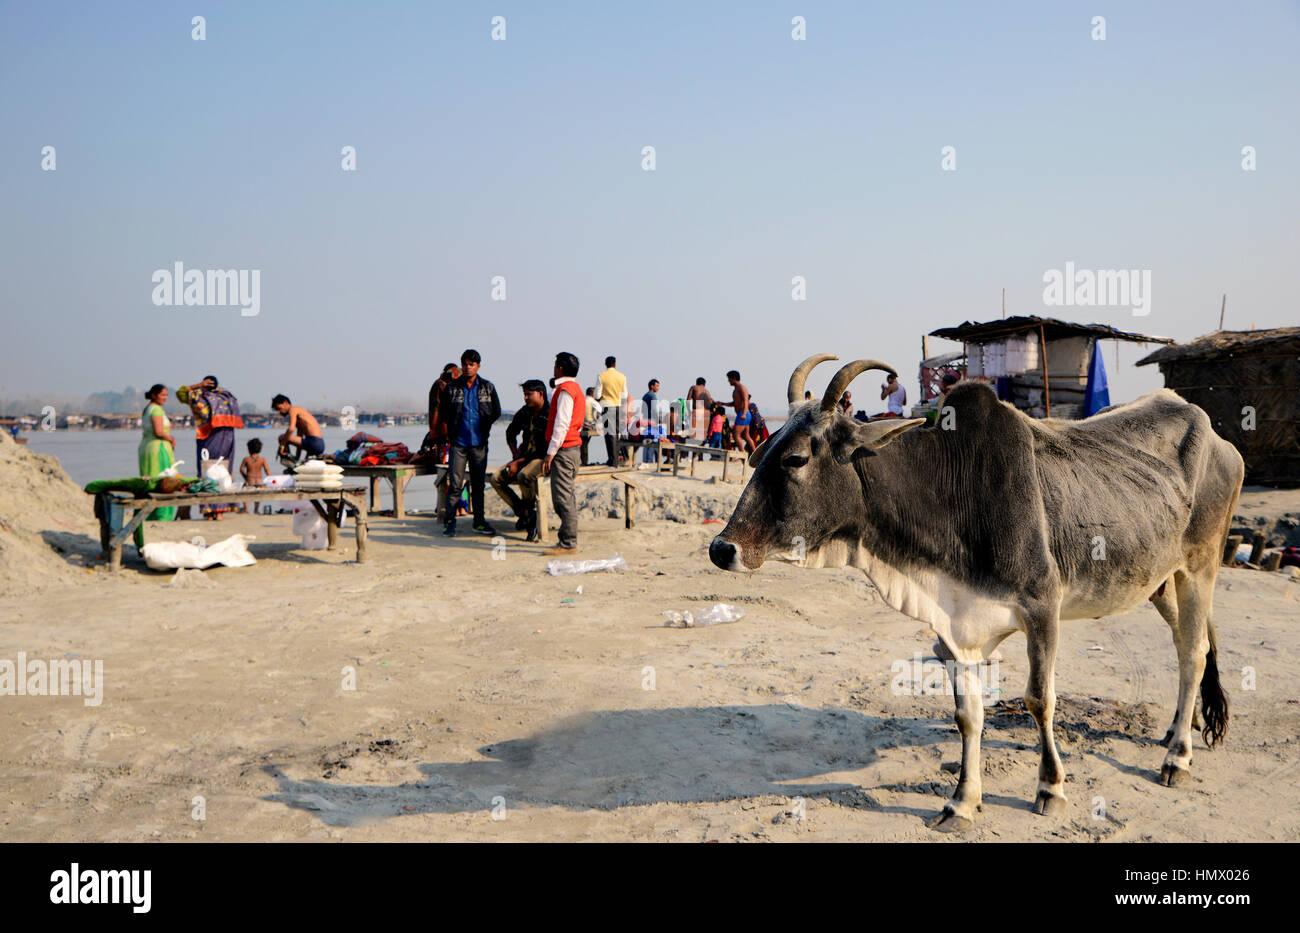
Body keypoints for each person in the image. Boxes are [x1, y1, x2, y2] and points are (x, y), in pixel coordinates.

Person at [439, 348, 501, 536]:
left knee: (478, 485)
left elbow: (496, 411)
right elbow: (443, 413)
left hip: (479, 443)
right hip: (458, 443)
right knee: (455, 485)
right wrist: (453, 428)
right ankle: (450, 522)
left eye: (471, 364)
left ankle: (479, 522)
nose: (467, 367)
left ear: (478, 366)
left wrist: (485, 426)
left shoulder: (488, 387)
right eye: (465, 364)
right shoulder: (452, 388)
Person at [489, 379, 549, 540]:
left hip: (543, 459)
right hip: (524, 458)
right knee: (496, 478)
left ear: (540, 394)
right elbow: (510, 433)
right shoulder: (524, 412)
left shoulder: (550, 414)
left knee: (524, 476)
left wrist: (518, 462)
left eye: (529, 394)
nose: (525, 398)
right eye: (524, 394)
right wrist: (515, 455)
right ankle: (525, 514)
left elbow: (544, 450)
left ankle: (529, 515)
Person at [179, 375, 244, 519]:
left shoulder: (198, 395)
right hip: (226, 438)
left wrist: (197, 385)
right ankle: (219, 511)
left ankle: (210, 511)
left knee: (207, 472)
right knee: (223, 472)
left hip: (209, 438)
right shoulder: (227, 397)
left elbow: (181, 393)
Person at [542, 351, 584, 555]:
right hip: (572, 449)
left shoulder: (566, 390)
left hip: (564, 450)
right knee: (567, 496)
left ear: (559, 368)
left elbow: (562, 424)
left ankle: (568, 542)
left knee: (563, 498)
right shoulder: (576, 389)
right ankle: (568, 539)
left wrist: (550, 452)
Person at [137, 384, 177, 535]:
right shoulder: (156, 410)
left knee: (150, 482)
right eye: (162, 395)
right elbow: (159, 431)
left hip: (146, 448)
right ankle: (162, 517)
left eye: (166, 395)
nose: (165, 398)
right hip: (157, 449)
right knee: (164, 482)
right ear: (154, 395)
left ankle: (150, 517)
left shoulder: (147, 409)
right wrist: (171, 438)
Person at [272, 394, 325, 460]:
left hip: (313, 442)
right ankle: (294, 460)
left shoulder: (293, 409)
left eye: (279, 408)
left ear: (286, 403)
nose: (279, 412)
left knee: (282, 437)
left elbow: (291, 429)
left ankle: (287, 458)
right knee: (304, 463)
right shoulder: (300, 415)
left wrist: (282, 446)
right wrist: (297, 458)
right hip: (320, 444)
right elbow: (299, 437)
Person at [597, 356, 627, 466]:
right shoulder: (622, 377)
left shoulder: (601, 376)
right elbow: (624, 395)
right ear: (615, 364)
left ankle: (612, 459)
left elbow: (597, 395)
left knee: (609, 434)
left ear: (606, 364)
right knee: (617, 433)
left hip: (607, 405)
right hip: (618, 406)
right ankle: (618, 458)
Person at [723, 370, 755, 453]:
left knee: (736, 435)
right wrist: (723, 404)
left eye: (729, 379)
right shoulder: (736, 389)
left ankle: (742, 454)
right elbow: (735, 403)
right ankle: (755, 455)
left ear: (733, 378)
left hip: (743, 414)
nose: (728, 381)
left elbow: (745, 400)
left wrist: (743, 413)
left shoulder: (741, 387)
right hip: (744, 414)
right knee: (746, 436)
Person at [239, 438, 270, 513]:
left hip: (250, 480)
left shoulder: (246, 459)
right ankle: (256, 509)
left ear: (249, 449)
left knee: (245, 494)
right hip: (259, 481)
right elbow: (267, 470)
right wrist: (270, 479)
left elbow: (241, 469)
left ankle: (246, 509)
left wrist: (245, 477)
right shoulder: (262, 459)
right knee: (257, 495)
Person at [580, 387, 603, 467]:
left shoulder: (582, 400)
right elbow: (600, 412)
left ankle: (584, 461)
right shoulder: (594, 402)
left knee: (583, 443)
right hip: (590, 426)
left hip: (581, 425)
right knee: (585, 443)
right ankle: (585, 461)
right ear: (593, 394)